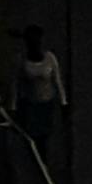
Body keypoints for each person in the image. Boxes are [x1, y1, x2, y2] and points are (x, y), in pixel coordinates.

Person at [13, 23, 66, 167]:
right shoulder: (22, 61)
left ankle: (43, 159)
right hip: (31, 103)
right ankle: (38, 159)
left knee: (45, 132)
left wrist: (63, 103)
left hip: (47, 102)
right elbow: (16, 84)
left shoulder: (50, 59)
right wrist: (14, 106)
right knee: (34, 132)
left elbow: (57, 81)